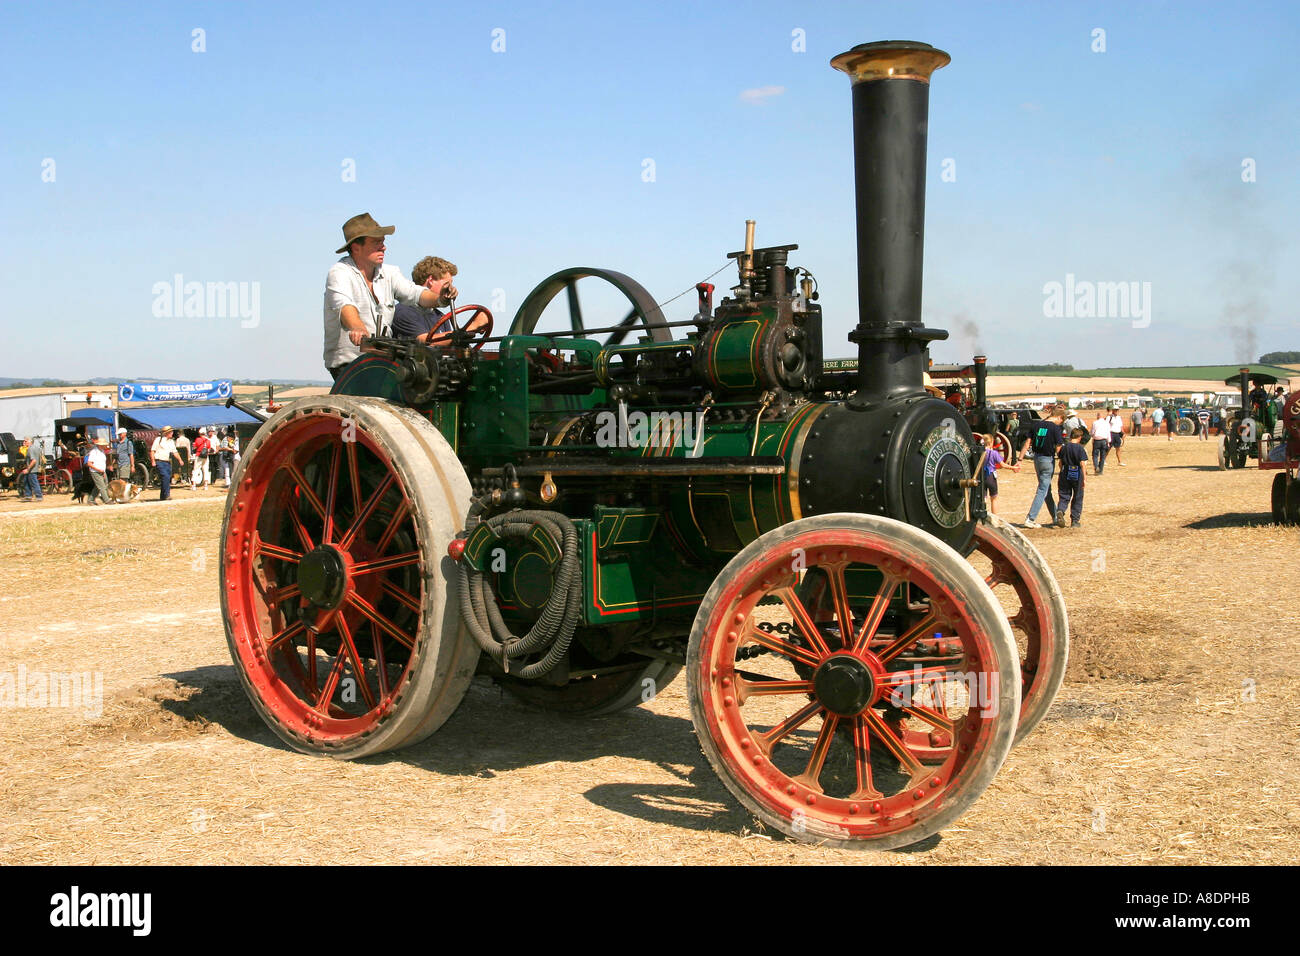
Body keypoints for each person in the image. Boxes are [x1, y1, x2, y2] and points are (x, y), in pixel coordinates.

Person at [323, 213, 465, 380]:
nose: (383, 247)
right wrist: (357, 327)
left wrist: (440, 299)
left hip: (381, 360)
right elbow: (344, 305)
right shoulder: (340, 273)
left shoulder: (390, 273)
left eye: (383, 242)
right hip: (352, 364)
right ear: (356, 247)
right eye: (376, 242)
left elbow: (416, 294)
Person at [392, 256, 491, 345]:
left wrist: (470, 334)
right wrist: (473, 326)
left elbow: (450, 345)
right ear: (431, 281)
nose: (451, 288)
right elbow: (425, 342)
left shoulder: (440, 318)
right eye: (447, 284)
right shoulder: (403, 311)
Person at [1020, 406, 1065, 528]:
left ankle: (1055, 516)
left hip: (1037, 459)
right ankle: (1030, 518)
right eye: (1062, 421)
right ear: (1059, 417)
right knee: (1042, 489)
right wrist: (1063, 462)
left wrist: (1019, 459)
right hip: (1047, 460)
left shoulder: (1036, 425)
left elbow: (1027, 443)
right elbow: (1059, 448)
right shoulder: (1055, 428)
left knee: (1046, 489)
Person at [1055, 427, 1090, 528]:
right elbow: (1083, 464)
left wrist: (1062, 471)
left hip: (1065, 472)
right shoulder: (1080, 448)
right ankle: (1075, 521)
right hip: (1077, 473)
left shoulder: (1064, 447)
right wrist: (1084, 479)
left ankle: (1060, 510)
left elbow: (1060, 462)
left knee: (1064, 494)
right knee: (1078, 496)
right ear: (1079, 437)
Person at [980, 433, 1019, 515]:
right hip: (991, 476)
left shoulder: (980, 452)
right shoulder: (994, 453)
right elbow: (1002, 465)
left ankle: (981, 515)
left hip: (981, 476)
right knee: (994, 498)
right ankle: (995, 517)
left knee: (983, 498)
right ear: (991, 443)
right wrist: (1013, 468)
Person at [151, 425, 183, 500]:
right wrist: (153, 461)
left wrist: (180, 460)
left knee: (166, 479)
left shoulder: (171, 442)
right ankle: (167, 495)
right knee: (165, 476)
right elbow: (152, 451)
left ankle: (163, 496)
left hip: (167, 462)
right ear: (167, 433)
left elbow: (175, 452)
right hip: (159, 461)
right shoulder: (158, 440)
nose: (172, 433)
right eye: (171, 432)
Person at [84, 437, 111, 505]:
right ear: (100, 445)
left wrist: (103, 471)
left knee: (99, 486)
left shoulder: (102, 451)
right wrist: (98, 469)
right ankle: (107, 500)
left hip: (102, 471)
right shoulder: (93, 452)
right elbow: (89, 463)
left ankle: (91, 500)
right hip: (95, 472)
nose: (105, 446)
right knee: (101, 486)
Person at [18, 436, 45, 501]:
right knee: (26, 481)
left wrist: (28, 469)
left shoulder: (30, 449)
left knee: (34, 483)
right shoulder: (37, 448)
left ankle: (39, 496)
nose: (24, 442)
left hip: (31, 470)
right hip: (33, 469)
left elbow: (34, 461)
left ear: (30, 442)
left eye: (25, 441)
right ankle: (28, 496)